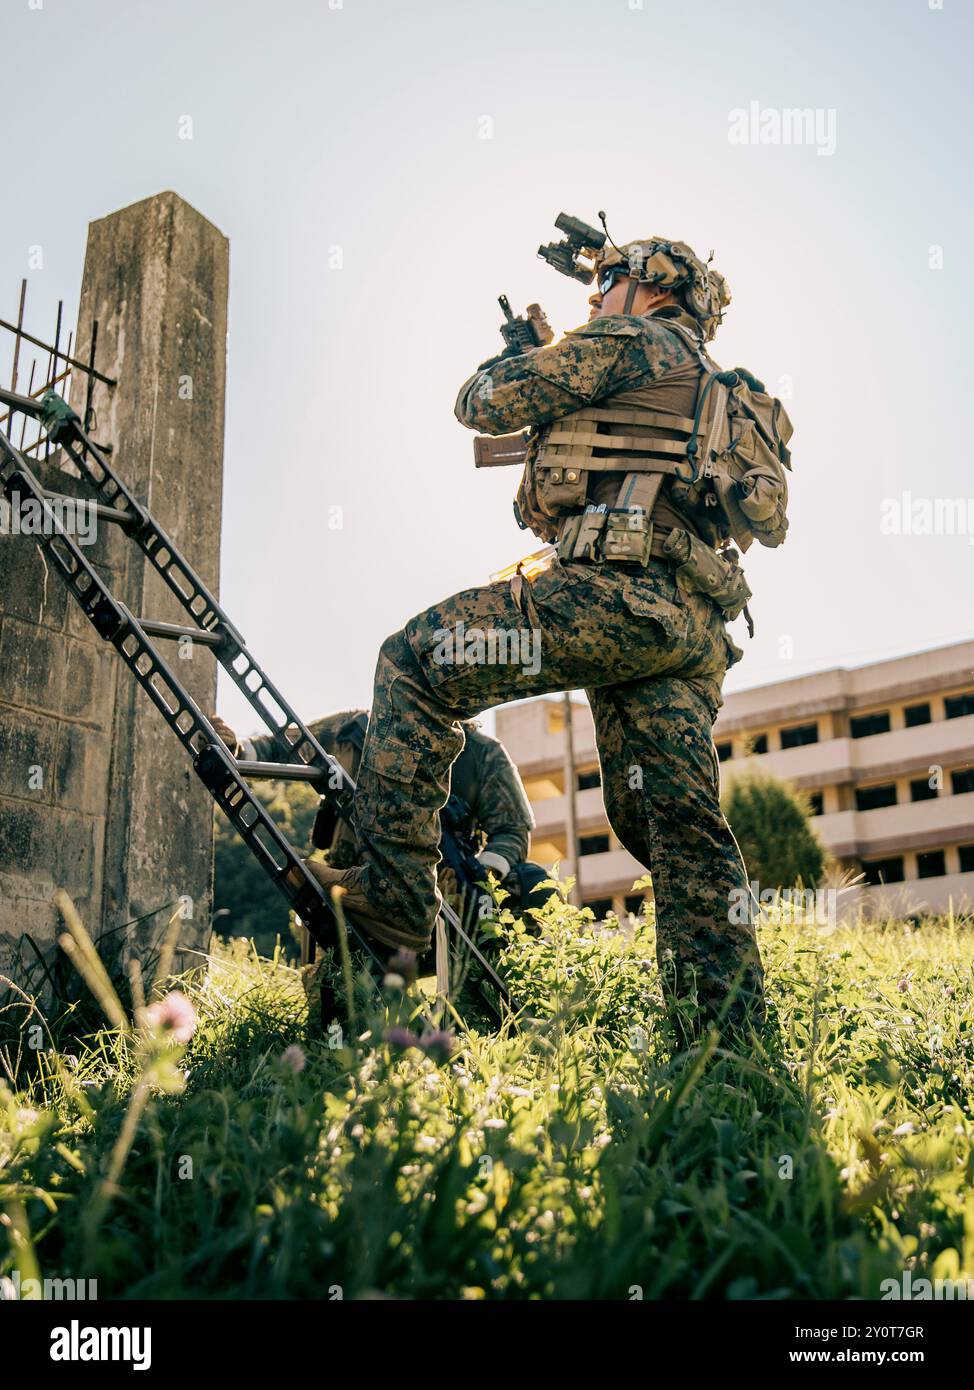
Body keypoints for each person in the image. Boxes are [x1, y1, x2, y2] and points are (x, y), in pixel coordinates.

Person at [292, 229, 793, 1035]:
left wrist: (519, 357)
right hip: (692, 624)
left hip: (617, 598)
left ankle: (388, 903)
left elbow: (483, 402)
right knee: (672, 825)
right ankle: (727, 1039)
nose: (593, 299)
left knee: (417, 661)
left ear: (655, 289)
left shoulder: (631, 338)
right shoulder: (710, 381)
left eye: (607, 282)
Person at [211, 709, 550, 952]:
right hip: (358, 891)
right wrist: (235, 748)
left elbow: (513, 830)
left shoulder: (482, 753)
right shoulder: (360, 731)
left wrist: (481, 875)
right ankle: (339, 995)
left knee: (535, 885)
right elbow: (279, 748)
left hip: (447, 898)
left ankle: (487, 1007)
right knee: (339, 1006)